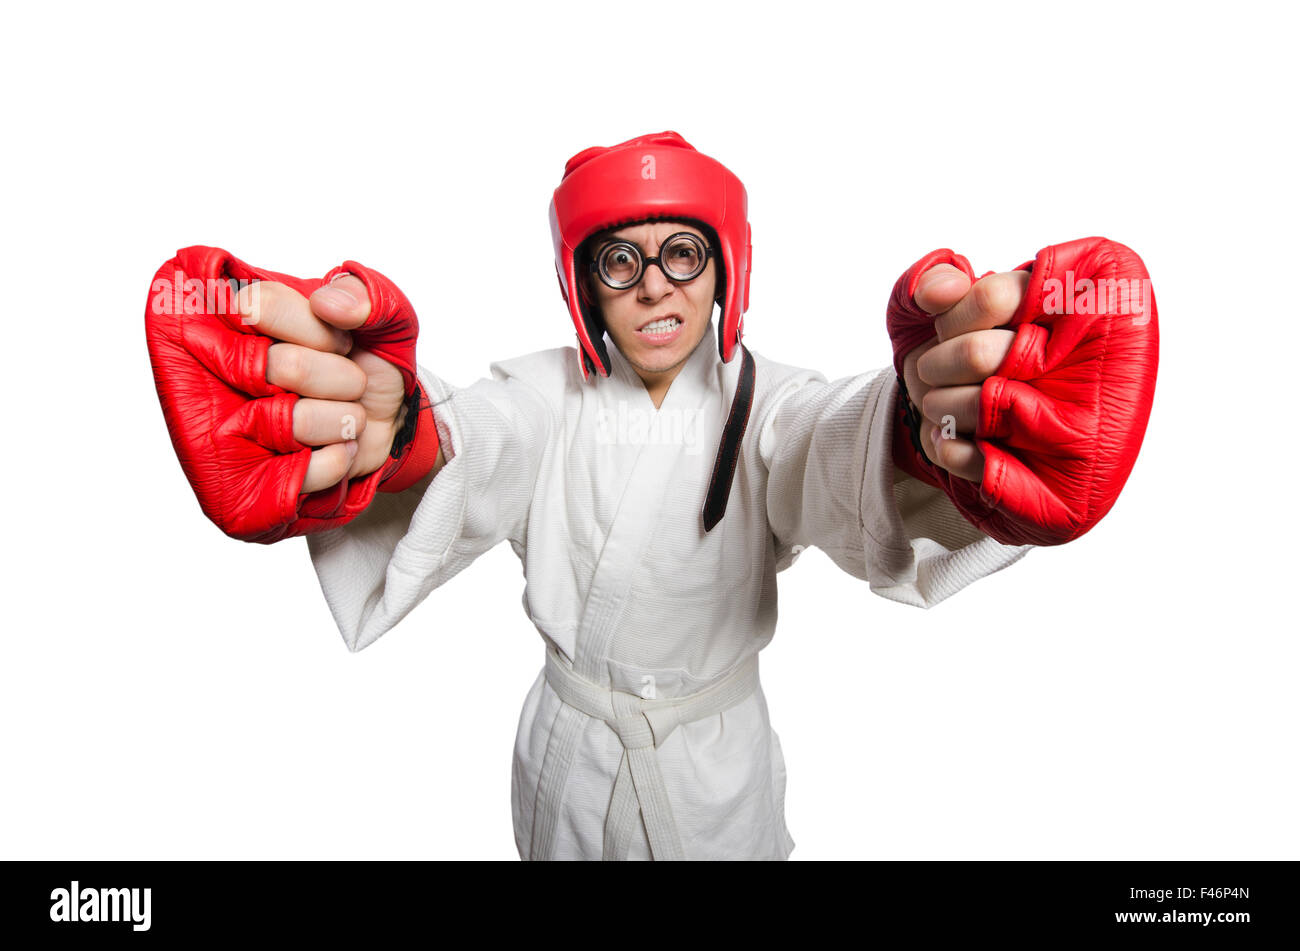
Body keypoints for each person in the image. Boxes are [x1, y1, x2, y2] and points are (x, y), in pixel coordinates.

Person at [145, 131, 1158, 860]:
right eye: (618, 260)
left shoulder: (771, 402)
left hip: (716, 769)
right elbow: (479, 443)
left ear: (725, 268)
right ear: (581, 284)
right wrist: (387, 437)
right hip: (571, 760)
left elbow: (828, 447)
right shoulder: (541, 394)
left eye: (683, 253)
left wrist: (939, 439)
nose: (656, 288)